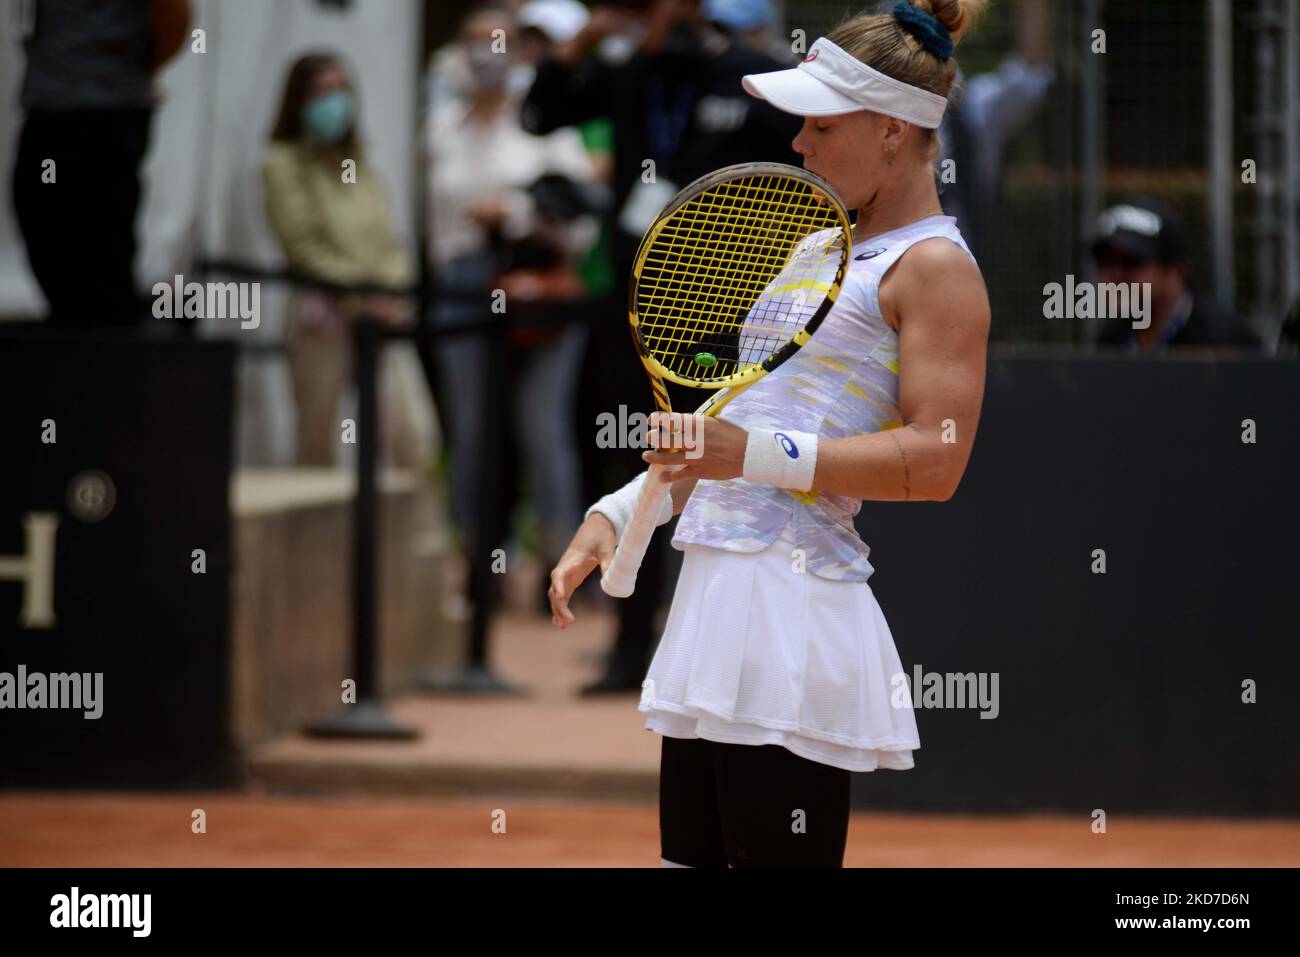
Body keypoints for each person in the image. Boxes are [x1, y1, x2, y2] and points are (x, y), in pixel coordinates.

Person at [548, 0, 992, 867]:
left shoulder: (936, 268)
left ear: (894, 132)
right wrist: (620, 509)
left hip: (793, 616)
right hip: (719, 606)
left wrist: (747, 454)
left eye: (822, 126)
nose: (800, 145)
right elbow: (737, 424)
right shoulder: (817, 250)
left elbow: (937, 461)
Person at [523, 0, 804, 694]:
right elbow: (538, 113)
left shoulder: (747, 75)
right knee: (633, 463)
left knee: (710, 471)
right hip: (631, 313)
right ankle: (629, 645)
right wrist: (593, 32)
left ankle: (710, 646)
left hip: (724, 319)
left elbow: (811, 161)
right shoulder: (628, 74)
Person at [425, 5, 599, 610]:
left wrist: (517, 215)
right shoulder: (440, 129)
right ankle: (479, 568)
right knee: (470, 429)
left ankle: (567, 566)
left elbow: (581, 218)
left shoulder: (544, 122)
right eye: (474, 42)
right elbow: (433, 227)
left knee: (542, 426)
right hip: (461, 286)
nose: (486, 54)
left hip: (538, 288)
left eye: (497, 42)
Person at [264, 53, 437, 468]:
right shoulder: (282, 165)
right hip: (322, 317)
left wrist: (394, 296)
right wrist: (362, 297)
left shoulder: (361, 166)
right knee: (318, 437)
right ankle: (315, 533)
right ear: (298, 100)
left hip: (384, 318)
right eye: (322, 92)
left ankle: (413, 533)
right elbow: (303, 248)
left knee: (413, 435)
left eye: (341, 90)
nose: (334, 102)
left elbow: (392, 243)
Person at [11, 0, 191, 327]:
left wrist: (135, 70)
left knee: (102, 243)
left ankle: (110, 347)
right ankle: (76, 333)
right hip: (51, 107)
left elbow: (175, 14)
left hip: (106, 109)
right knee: (43, 217)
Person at [1090, 197, 1261, 353]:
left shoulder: (1225, 343)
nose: (1115, 276)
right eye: (1105, 264)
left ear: (1176, 272)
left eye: (1131, 263)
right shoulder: (1111, 339)